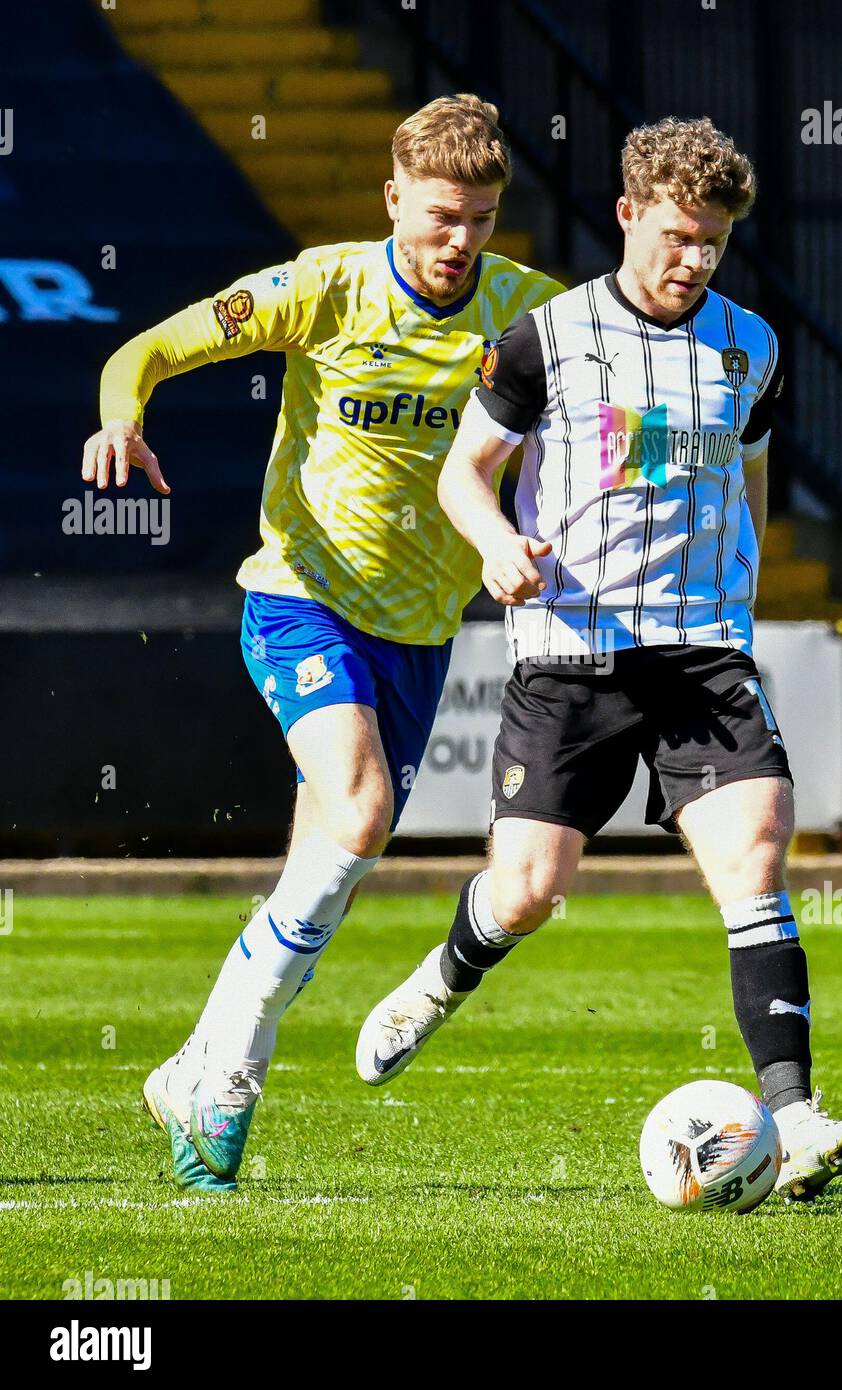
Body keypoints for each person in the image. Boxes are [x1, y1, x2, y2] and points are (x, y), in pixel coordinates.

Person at [356, 115, 842, 1203]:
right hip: (571, 655)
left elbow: (744, 475)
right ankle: (442, 975)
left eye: (712, 242)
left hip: (699, 658)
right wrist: (497, 542)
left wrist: (732, 588)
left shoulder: (753, 348)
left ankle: (792, 1123)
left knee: (755, 859)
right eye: (677, 236)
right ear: (628, 214)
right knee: (530, 889)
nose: (692, 260)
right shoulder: (542, 341)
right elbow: (465, 474)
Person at [81, 95, 563, 1191]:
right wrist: (123, 416)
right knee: (360, 811)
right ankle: (230, 1078)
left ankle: (188, 1065)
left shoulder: (527, 313)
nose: (460, 241)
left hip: (419, 631)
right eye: (442, 215)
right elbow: (148, 348)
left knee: (328, 866)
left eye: (482, 219)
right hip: (301, 596)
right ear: (393, 197)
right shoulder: (324, 286)